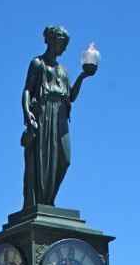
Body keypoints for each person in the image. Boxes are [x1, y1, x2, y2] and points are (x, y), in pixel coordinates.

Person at [21, 25, 96, 210]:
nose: (65, 48)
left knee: (64, 159)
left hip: (61, 117)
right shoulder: (38, 63)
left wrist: (83, 76)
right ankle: (42, 203)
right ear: (53, 41)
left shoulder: (63, 69)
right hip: (44, 114)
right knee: (41, 159)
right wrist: (27, 113)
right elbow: (28, 90)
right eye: (63, 43)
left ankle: (49, 199)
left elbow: (71, 96)